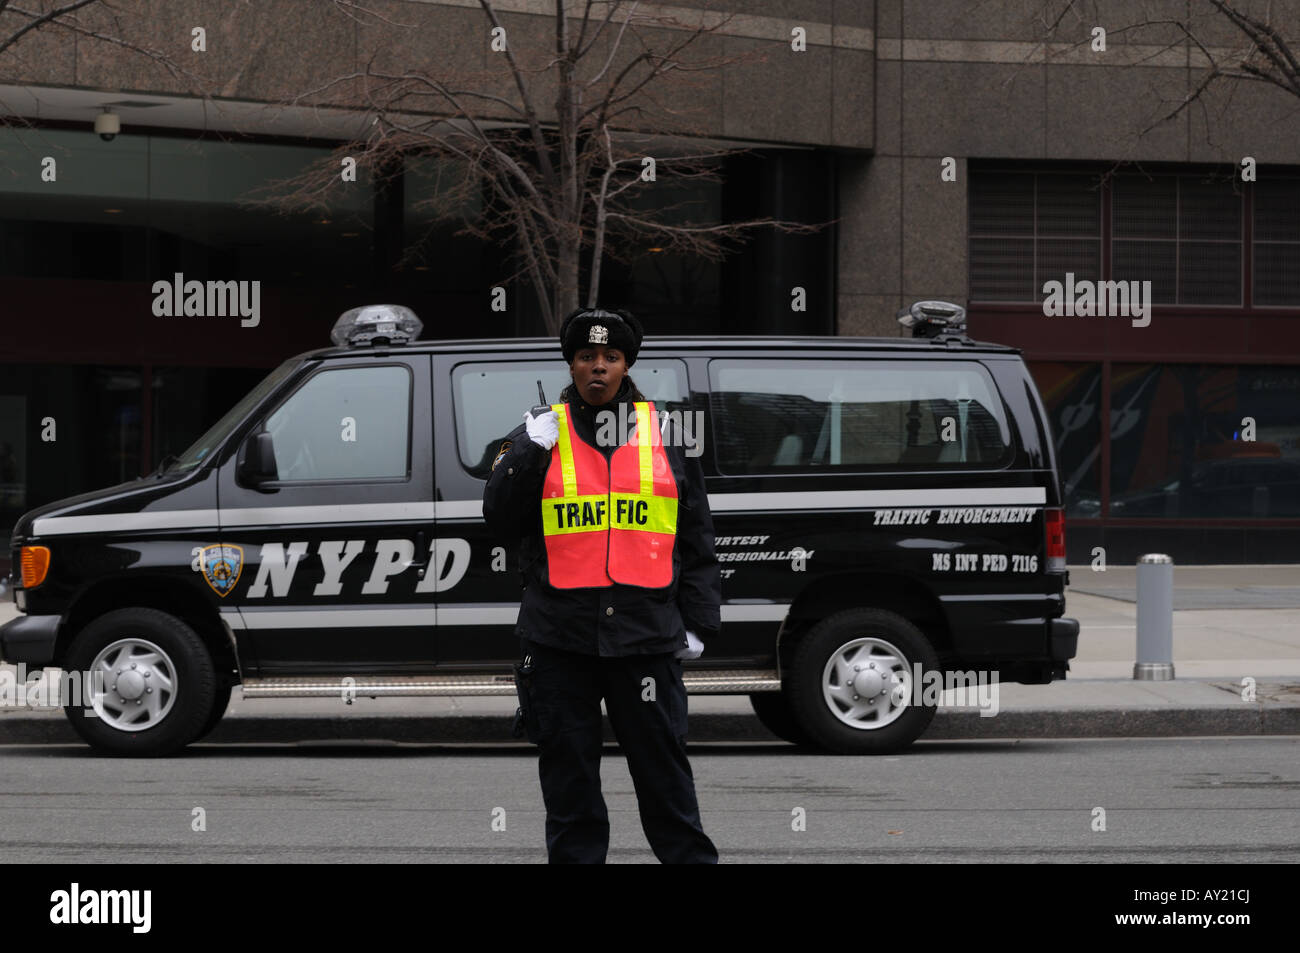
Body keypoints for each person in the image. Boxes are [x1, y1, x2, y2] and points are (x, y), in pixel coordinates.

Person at [483, 306, 721, 864]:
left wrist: (699, 624)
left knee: (667, 783)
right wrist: (526, 452)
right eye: (587, 356)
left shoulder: (666, 433)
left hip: (645, 637)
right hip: (559, 638)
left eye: (610, 357)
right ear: (571, 364)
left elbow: (697, 539)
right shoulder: (538, 433)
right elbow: (498, 518)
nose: (598, 367)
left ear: (626, 364)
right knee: (570, 790)